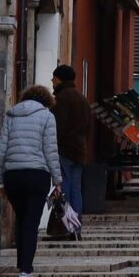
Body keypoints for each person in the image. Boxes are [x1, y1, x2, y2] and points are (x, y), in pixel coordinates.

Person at [0, 85, 63, 277]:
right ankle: (25, 272)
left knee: (21, 219)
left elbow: (0, 151)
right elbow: (50, 150)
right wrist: (58, 181)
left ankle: (22, 267)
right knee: (30, 223)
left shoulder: (11, 116)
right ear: (46, 100)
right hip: (36, 175)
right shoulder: (47, 116)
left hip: (13, 175)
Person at [50, 64, 91, 236]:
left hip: (64, 150)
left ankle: (65, 228)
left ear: (59, 79)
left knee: (63, 188)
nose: (52, 81)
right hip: (79, 151)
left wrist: (51, 148)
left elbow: (57, 127)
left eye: (54, 78)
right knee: (76, 190)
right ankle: (76, 227)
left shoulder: (61, 99)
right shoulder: (82, 99)